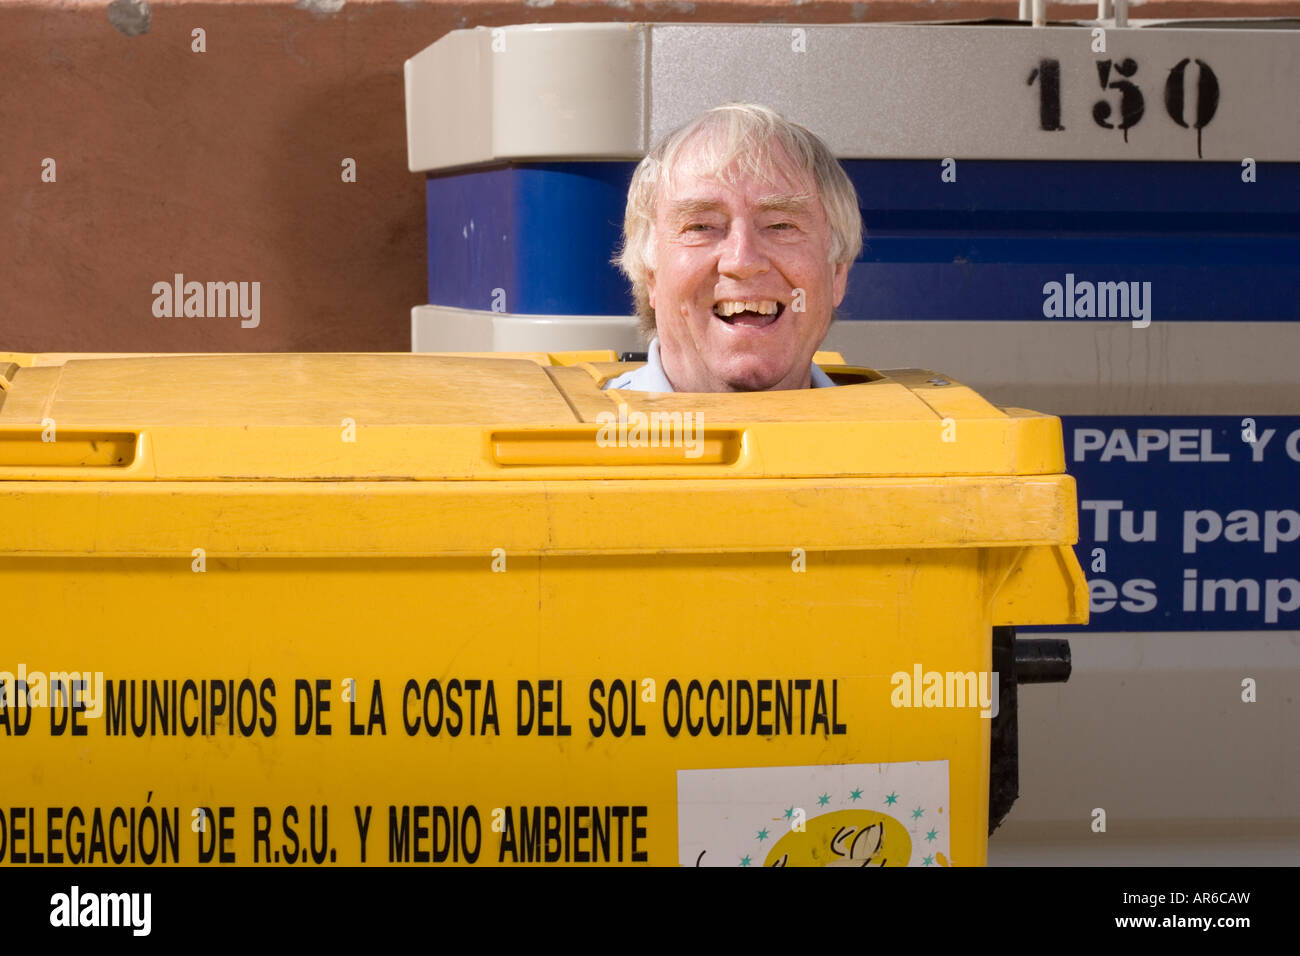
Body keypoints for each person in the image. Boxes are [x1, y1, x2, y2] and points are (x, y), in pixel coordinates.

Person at [605, 102, 863, 393]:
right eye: (700, 227)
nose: (742, 262)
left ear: (838, 272)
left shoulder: (905, 436)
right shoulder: (579, 436)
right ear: (650, 274)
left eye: (781, 226)